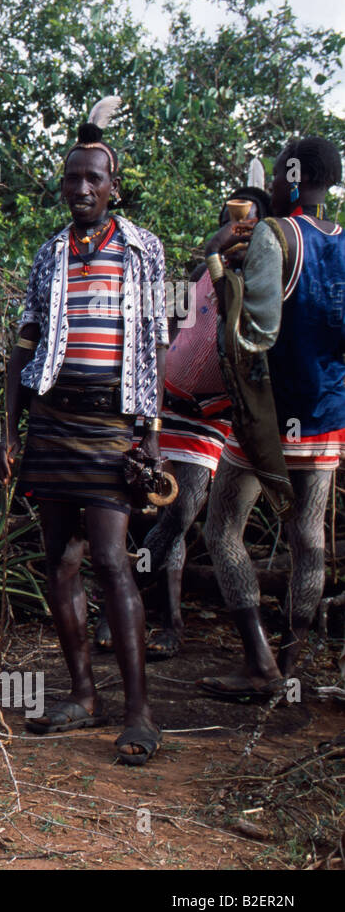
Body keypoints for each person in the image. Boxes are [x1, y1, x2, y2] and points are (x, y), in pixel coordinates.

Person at [0, 108, 169, 764]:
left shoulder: (141, 248)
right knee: (60, 561)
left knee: (110, 557)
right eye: (72, 178)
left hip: (111, 426)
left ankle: (140, 712)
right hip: (52, 421)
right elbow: (24, 342)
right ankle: (82, 694)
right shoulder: (49, 253)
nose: (81, 189)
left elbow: (153, 342)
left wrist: (149, 432)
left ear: (113, 187)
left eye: (93, 178)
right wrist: (8, 430)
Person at [199, 136, 345, 701]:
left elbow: (253, 332)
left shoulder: (274, 234)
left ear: (289, 176)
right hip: (327, 416)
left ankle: (258, 661)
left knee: (221, 528)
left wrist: (220, 262)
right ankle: (290, 666)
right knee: (308, 537)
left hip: (268, 418)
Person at [125, 183, 271, 660]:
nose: (240, 231)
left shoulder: (264, 279)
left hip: (213, 416)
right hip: (167, 406)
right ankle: (166, 621)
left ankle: (124, 604)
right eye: (233, 221)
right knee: (157, 509)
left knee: (181, 512)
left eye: (250, 223)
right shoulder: (199, 271)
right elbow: (160, 328)